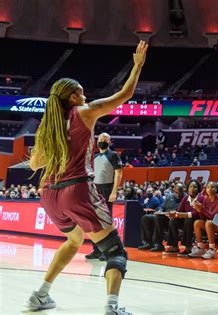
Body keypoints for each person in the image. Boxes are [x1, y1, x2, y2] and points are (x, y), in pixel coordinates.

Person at [27, 41, 148, 314]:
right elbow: (125, 94)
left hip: (49, 194)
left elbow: (34, 163)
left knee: (74, 240)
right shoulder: (85, 112)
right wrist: (137, 66)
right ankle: (112, 307)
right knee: (116, 251)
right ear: (72, 97)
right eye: (81, 91)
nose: (85, 94)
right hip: (76, 189)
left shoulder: (48, 127)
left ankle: (40, 294)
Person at [86, 133, 123, 260]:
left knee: (105, 220)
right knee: (93, 219)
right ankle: (96, 250)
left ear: (109, 141)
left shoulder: (113, 155)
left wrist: (114, 191)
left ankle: (106, 250)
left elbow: (118, 173)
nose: (102, 141)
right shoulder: (95, 157)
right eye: (100, 139)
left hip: (107, 188)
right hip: (95, 189)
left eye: (105, 139)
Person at [137, 183, 184, 252]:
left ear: (183, 191)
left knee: (159, 218)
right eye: (176, 192)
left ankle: (159, 244)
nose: (178, 194)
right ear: (174, 190)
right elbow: (162, 207)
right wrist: (160, 211)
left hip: (176, 218)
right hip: (165, 216)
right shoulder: (169, 196)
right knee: (146, 218)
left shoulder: (185, 198)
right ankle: (149, 243)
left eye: (180, 192)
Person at [188, 181, 218, 259]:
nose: (210, 189)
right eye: (208, 187)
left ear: (216, 189)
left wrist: (202, 209)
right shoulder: (206, 200)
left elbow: (214, 217)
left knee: (209, 223)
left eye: (212, 187)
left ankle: (212, 250)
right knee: (197, 222)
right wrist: (198, 210)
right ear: (205, 189)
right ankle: (200, 248)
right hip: (213, 223)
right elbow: (204, 217)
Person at [165, 180, 204, 256]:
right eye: (190, 187)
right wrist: (174, 213)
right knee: (173, 221)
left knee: (188, 220)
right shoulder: (186, 198)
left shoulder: (201, 198)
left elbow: (196, 213)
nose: (192, 189)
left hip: (197, 222)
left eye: (195, 187)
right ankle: (174, 246)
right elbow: (180, 210)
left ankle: (188, 247)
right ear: (187, 188)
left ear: (198, 188)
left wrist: (183, 214)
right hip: (186, 221)